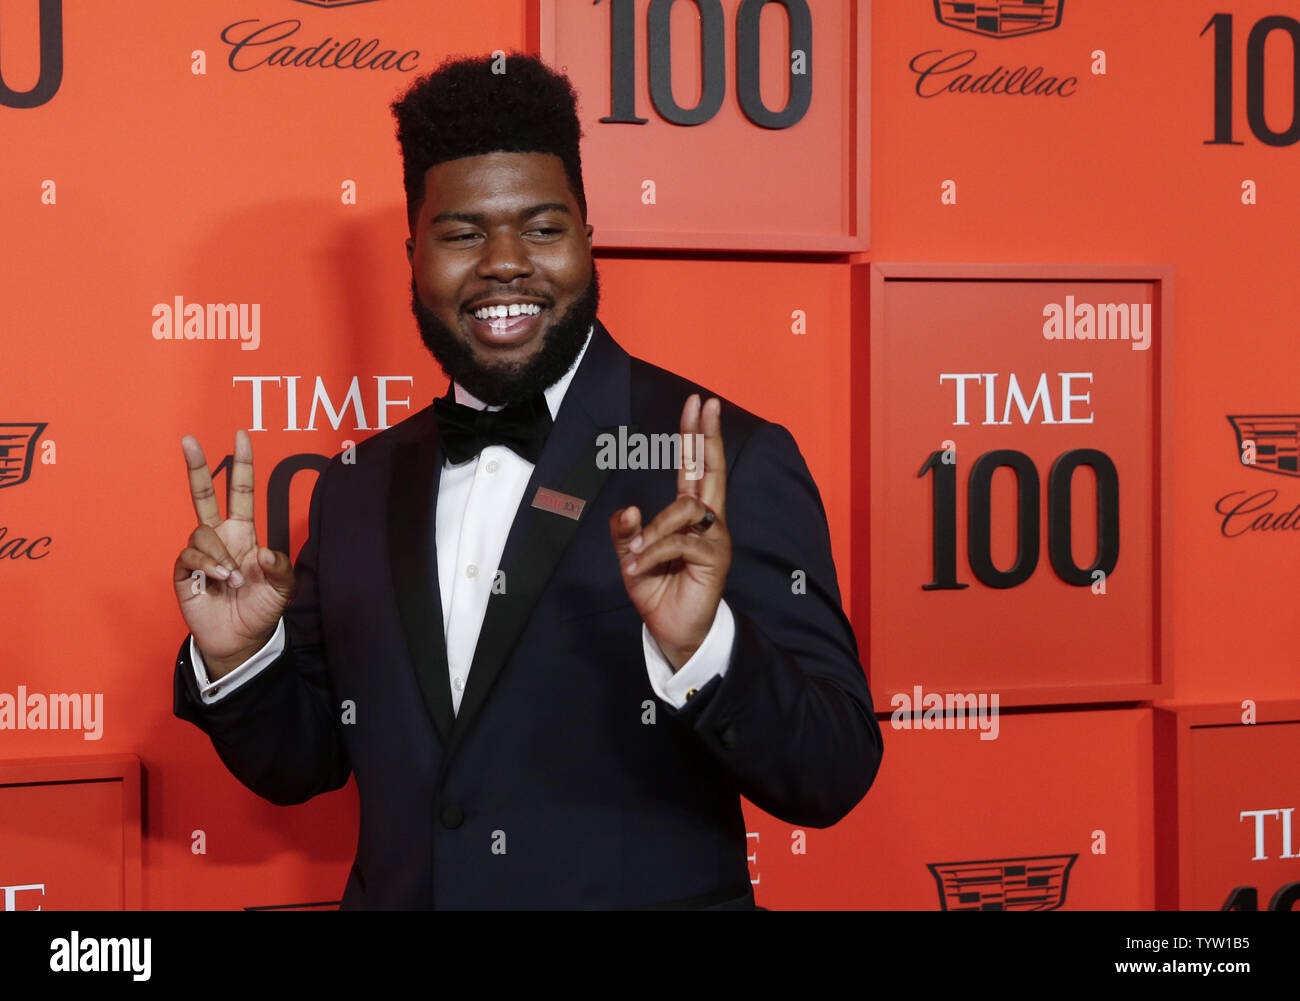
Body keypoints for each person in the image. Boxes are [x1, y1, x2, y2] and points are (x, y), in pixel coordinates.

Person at [171, 52, 883, 909]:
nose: (505, 262)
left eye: (542, 228)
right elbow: (303, 762)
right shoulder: (357, 486)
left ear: (587, 235)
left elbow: (833, 773)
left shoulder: (723, 458)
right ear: (414, 253)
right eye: (464, 232)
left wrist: (706, 649)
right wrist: (241, 655)